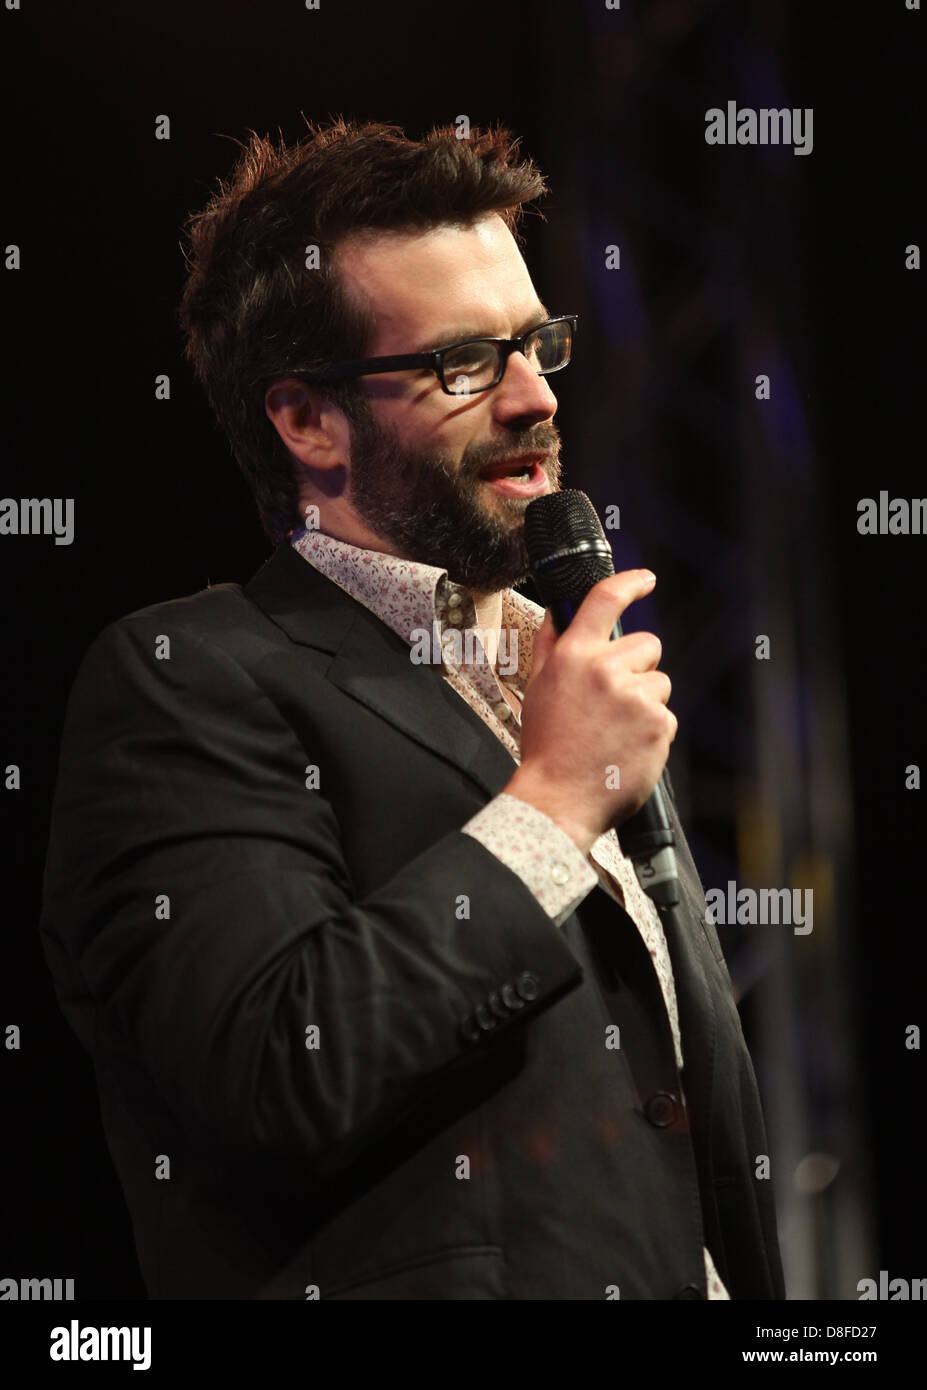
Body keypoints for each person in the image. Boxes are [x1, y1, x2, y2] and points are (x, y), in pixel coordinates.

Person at [39, 118, 785, 1300]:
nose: (537, 396)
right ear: (305, 420)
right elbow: (278, 1067)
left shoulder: (566, 674)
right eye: (463, 364)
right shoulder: (188, 676)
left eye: (537, 341)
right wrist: (548, 803)